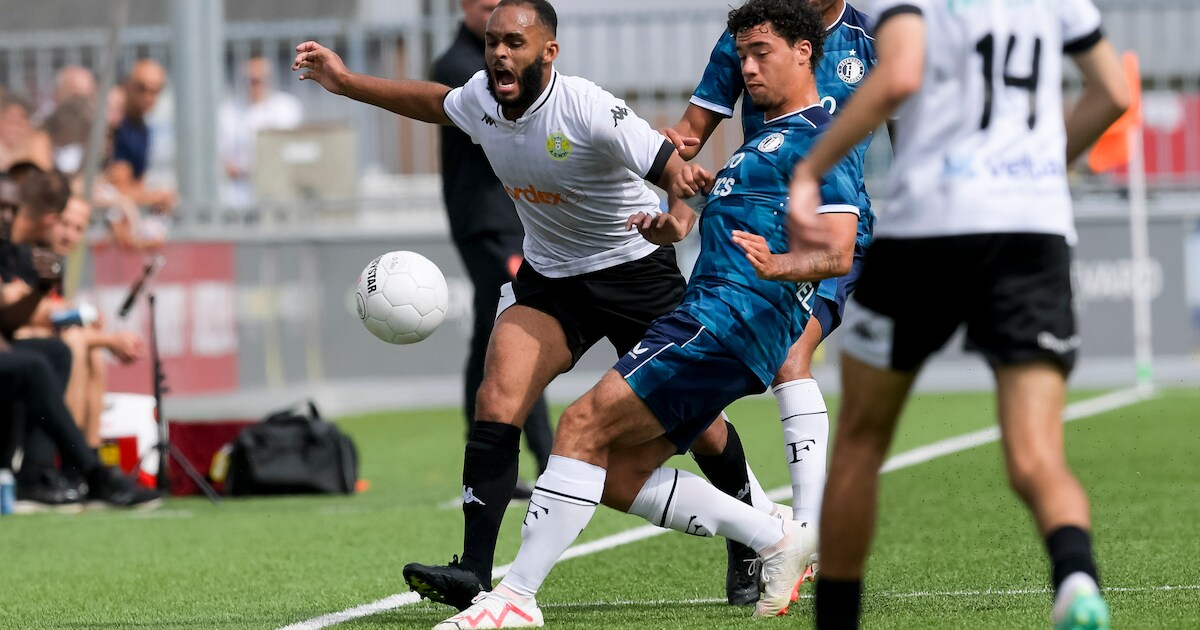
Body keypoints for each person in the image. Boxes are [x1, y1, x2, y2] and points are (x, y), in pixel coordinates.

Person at [291, 0, 759, 612]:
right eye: (492, 43)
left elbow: (675, 173)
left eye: (514, 42)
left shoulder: (589, 108)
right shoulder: (482, 100)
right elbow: (433, 102)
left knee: (701, 428)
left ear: (549, 53)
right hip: (551, 279)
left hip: (634, 276)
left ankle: (751, 536)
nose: (499, 55)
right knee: (498, 397)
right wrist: (346, 82)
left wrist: (673, 224)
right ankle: (473, 573)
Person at [436, 1, 866, 626]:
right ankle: (772, 534)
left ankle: (513, 600)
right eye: (740, 55)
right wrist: (672, 226)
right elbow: (714, 207)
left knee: (580, 427)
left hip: (727, 322)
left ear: (805, 53)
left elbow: (838, 250)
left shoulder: (822, 136)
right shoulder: (766, 138)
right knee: (610, 472)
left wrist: (778, 267)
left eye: (760, 54)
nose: (744, 69)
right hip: (708, 314)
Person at [769, 0, 1131, 627]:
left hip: (931, 230)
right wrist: (1041, 169)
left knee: (860, 442)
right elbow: (1115, 91)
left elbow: (902, 73)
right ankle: (1075, 576)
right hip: (1031, 231)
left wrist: (813, 166)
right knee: (1037, 454)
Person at [662, 0, 878, 604]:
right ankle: (760, 523)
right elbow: (688, 139)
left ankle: (805, 536)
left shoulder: (872, 36)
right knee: (694, 399)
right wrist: (676, 209)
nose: (752, 65)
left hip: (830, 230)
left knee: (790, 358)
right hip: (747, 234)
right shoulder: (756, 39)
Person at [429, 0, 555, 498]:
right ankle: (547, 460)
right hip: (488, 223)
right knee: (523, 326)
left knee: (493, 333)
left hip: (510, 221)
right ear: (464, 8)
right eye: (487, 9)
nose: (502, 46)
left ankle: (482, 458)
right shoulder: (460, 68)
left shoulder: (481, 63)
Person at [0, 170, 161, 511]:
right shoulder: (21, 254)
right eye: (65, 223)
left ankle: (50, 473)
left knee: (59, 351)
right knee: (60, 348)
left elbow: (11, 318)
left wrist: (44, 290)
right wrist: (101, 336)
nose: (6, 216)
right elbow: (25, 316)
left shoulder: (15, 251)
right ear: (50, 218)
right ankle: (83, 470)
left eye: (10, 209)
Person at [14, 196, 146, 447]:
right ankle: (72, 458)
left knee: (91, 352)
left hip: (35, 344)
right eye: (64, 224)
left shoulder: (54, 261)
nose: (69, 235)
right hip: (20, 347)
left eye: (78, 228)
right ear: (48, 220)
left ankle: (89, 453)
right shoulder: (27, 257)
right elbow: (35, 320)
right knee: (74, 344)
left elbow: (53, 314)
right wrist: (108, 340)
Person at [219, 56, 303, 212]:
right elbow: (222, 159)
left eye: (259, 80)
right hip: (238, 193)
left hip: (279, 189)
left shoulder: (286, 107)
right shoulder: (228, 110)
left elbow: (290, 150)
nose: (254, 85)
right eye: (249, 80)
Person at [107, 59, 176, 215]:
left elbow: (136, 183)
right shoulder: (118, 126)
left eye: (155, 90)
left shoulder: (141, 128)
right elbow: (119, 189)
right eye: (141, 88)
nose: (148, 96)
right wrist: (157, 197)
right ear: (127, 85)